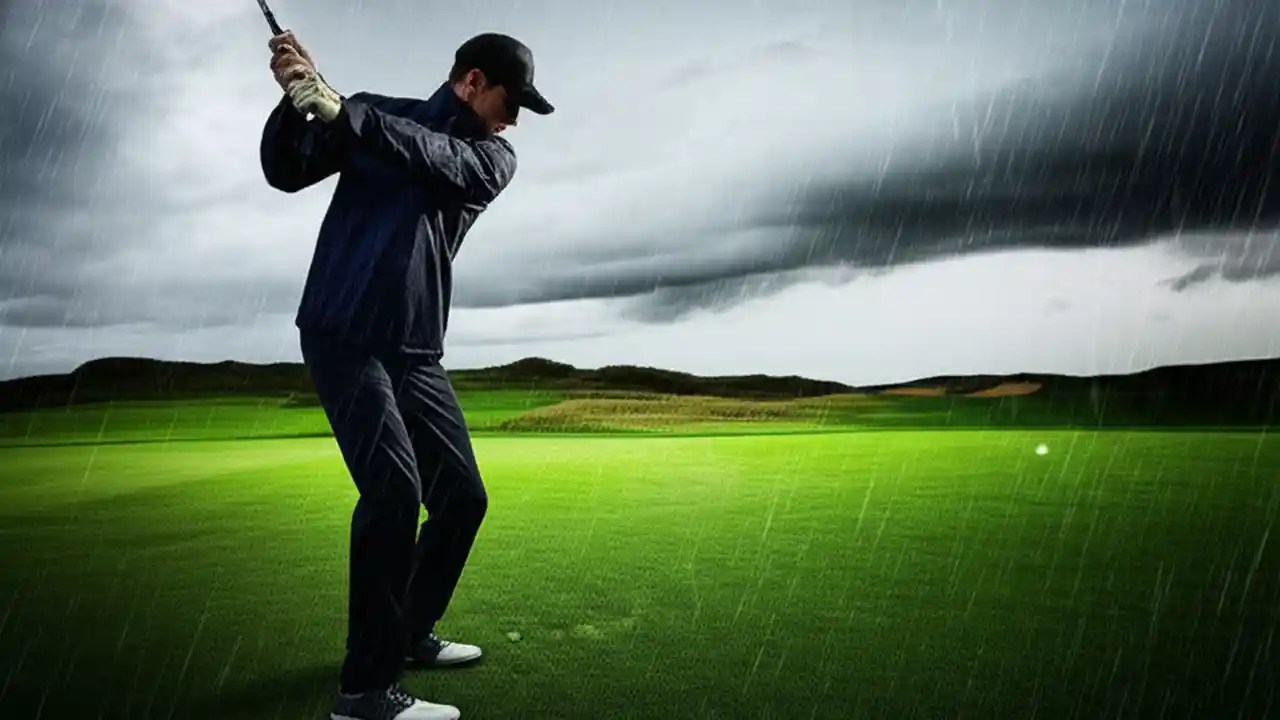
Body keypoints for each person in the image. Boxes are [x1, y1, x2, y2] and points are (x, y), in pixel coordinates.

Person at [261, 29, 554, 720]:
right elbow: (285, 171)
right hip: (342, 332)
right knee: (394, 496)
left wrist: (342, 111)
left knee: (461, 499)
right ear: (473, 81)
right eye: (510, 102)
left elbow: (433, 156)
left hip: (415, 349)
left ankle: (407, 633)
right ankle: (364, 692)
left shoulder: (490, 155)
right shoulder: (368, 113)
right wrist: (295, 100)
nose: (513, 120)